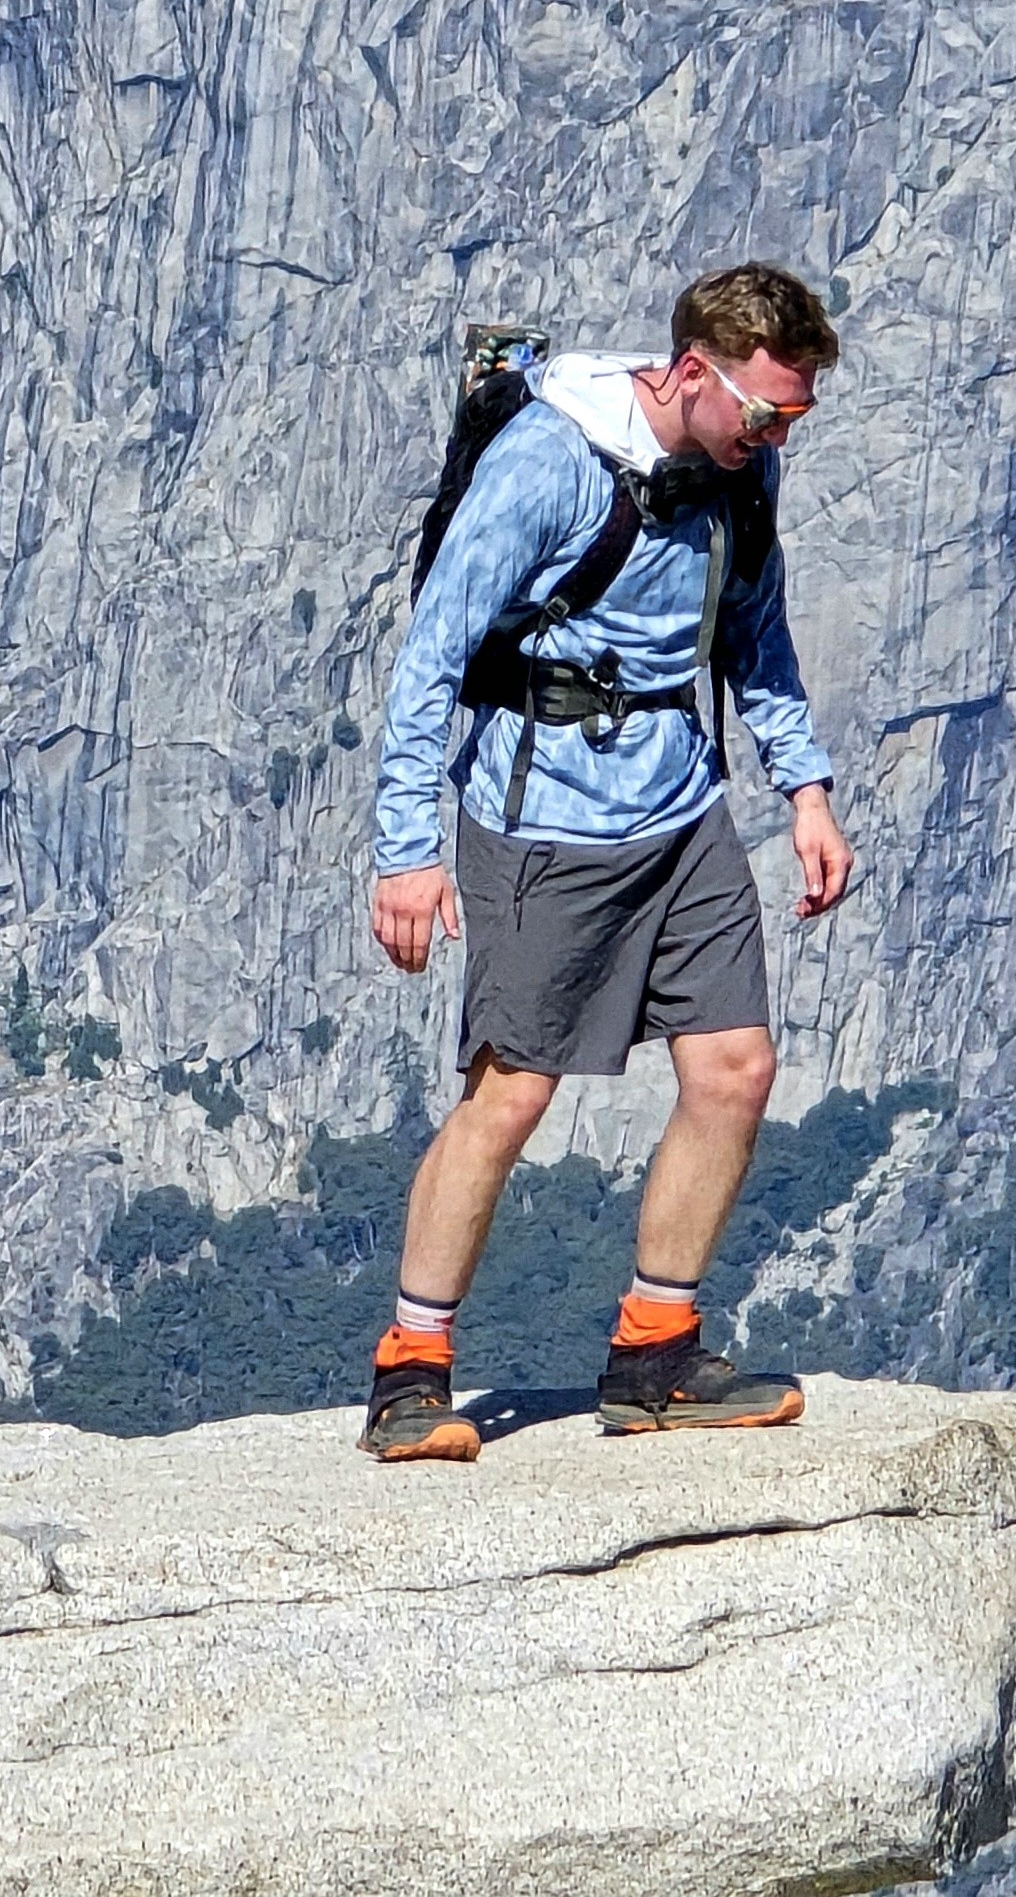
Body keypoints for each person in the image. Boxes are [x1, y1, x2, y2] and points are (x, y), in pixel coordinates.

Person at [359, 263, 856, 1462]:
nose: (777, 434)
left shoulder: (742, 469)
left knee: (734, 1068)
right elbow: (432, 654)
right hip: (543, 818)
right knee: (510, 1092)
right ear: (693, 372)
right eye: (766, 411)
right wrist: (406, 852)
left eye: (793, 416)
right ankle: (410, 1372)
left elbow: (753, 632)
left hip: (679, 809)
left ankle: (655, 1354)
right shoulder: (549, 463)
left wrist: (805, 785)